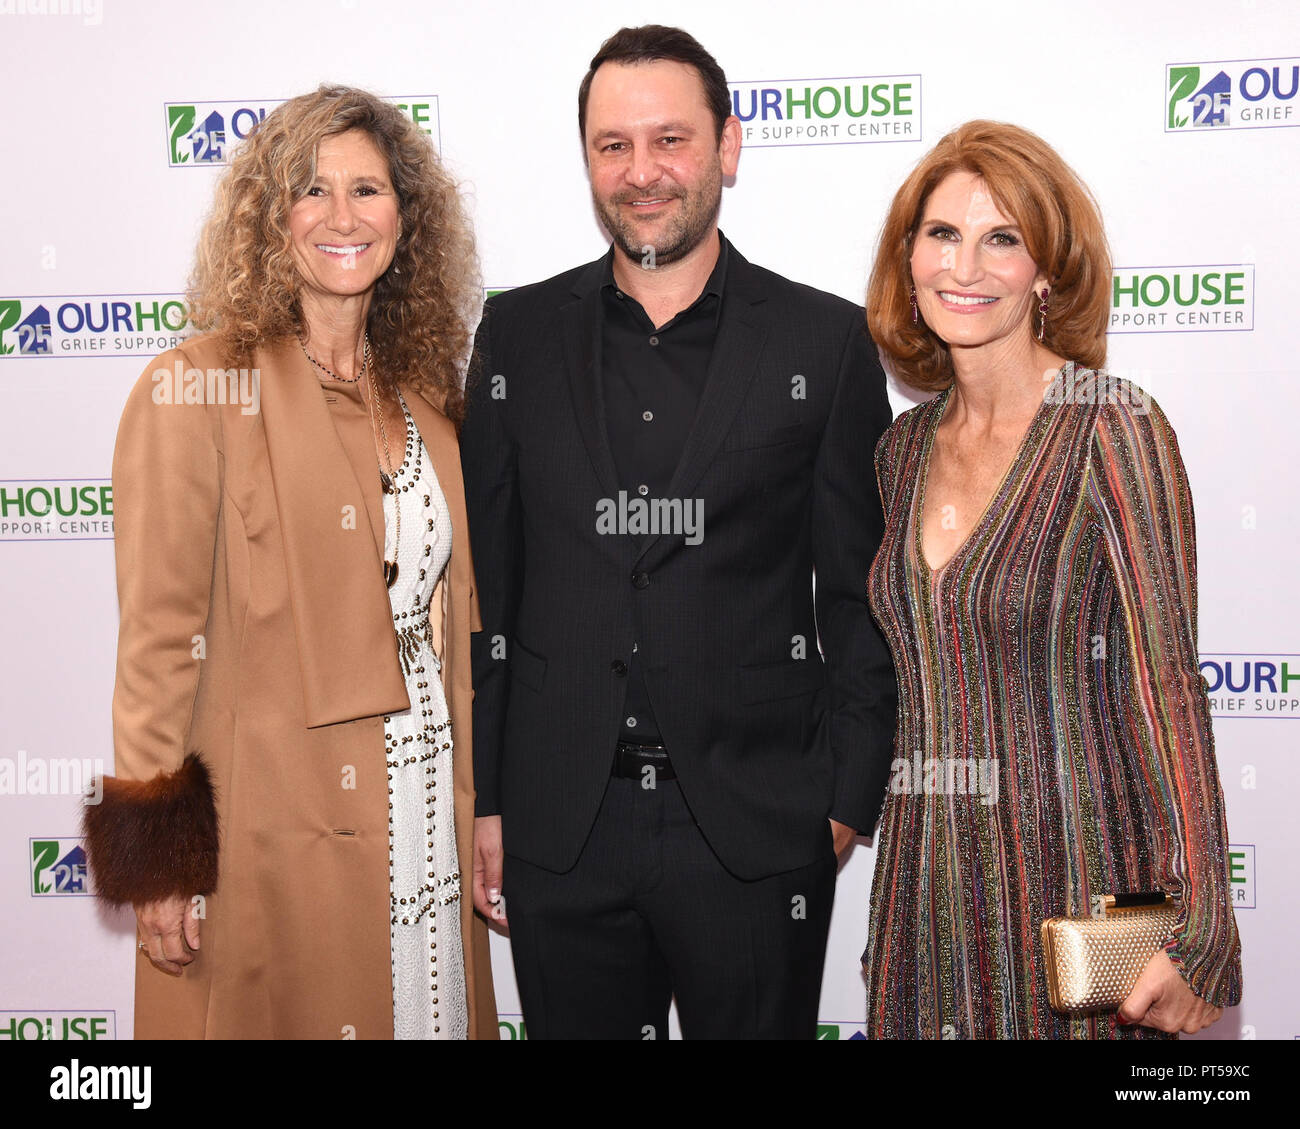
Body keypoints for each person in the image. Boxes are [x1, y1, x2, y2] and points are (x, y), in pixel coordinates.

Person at [461, 25, 896, 1040]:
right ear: (586, 161)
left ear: (728, 148)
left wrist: (840, 800)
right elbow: (496, 582)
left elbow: (861, 592)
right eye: (613, 145)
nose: (642, 171)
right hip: (562, 825)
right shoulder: (514, 335)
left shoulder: (821, 341)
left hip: (755, 826)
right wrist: (492, 798)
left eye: (670, 139)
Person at [83, 85, 497, 1040]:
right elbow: (156, 644)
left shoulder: (428, 404)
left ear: (407, 218)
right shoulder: (196, 388)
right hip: (270, 825)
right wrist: (163, 863)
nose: (343, 216)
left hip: (425, 798)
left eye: (369, 189)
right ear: (270, 218)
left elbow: (454, 631)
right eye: (311, 190)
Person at [861, 119, 1242, 1038]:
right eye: (942, 234)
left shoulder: (1111, 425)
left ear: (1046, 269)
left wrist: (1197, 936)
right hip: (925, 894)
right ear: (908, 262)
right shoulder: (901, 451)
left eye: (1003, 238)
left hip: (1074, 892)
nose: (966, 266)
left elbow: (1165, 686)